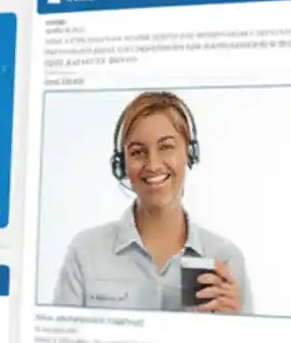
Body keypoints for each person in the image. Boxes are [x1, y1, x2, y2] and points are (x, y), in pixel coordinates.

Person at [52, 90, 252, 314]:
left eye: (166, 146)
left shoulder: (224, 257)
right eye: (138, 152)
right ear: (121, 165)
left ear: (189, 152)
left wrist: (236, 326)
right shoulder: (85, 252)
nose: (153, 164)